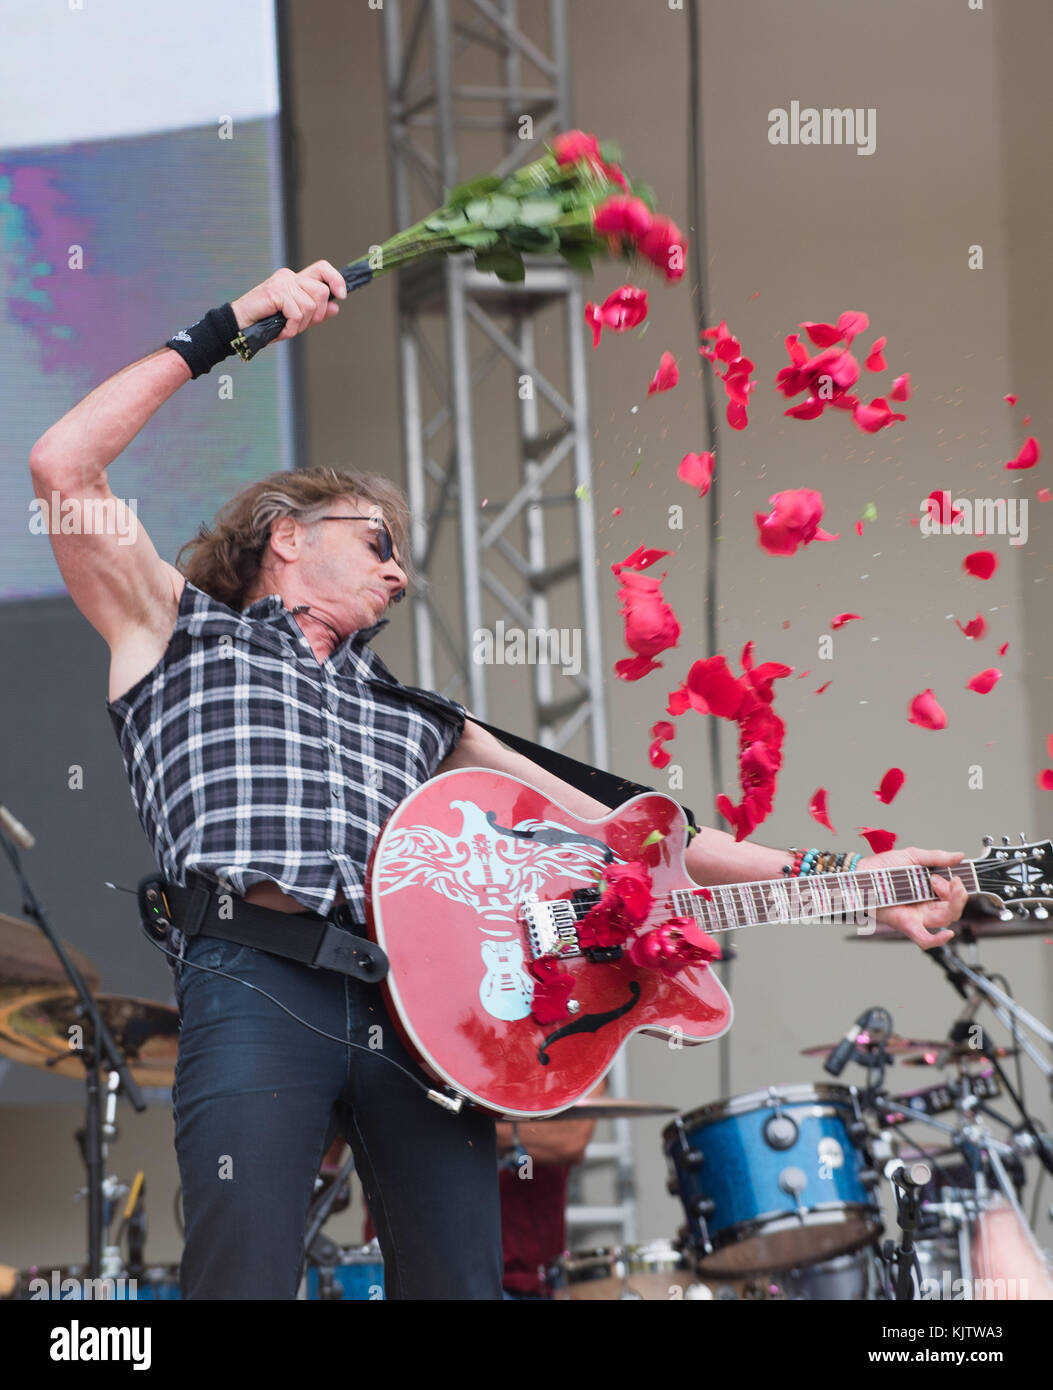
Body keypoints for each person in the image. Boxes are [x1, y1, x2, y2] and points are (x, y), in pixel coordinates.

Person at [28, 262, 969, 1300]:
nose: (396, 572)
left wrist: (859, 881)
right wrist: (230, 327)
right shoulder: (177, 627)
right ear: (286, 537)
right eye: (375, 542)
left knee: (467, 1287)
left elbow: (631, 826)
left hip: (417, 1015)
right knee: (239, 1279)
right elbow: (63, 463)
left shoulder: (419, 717)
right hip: (256, 973)